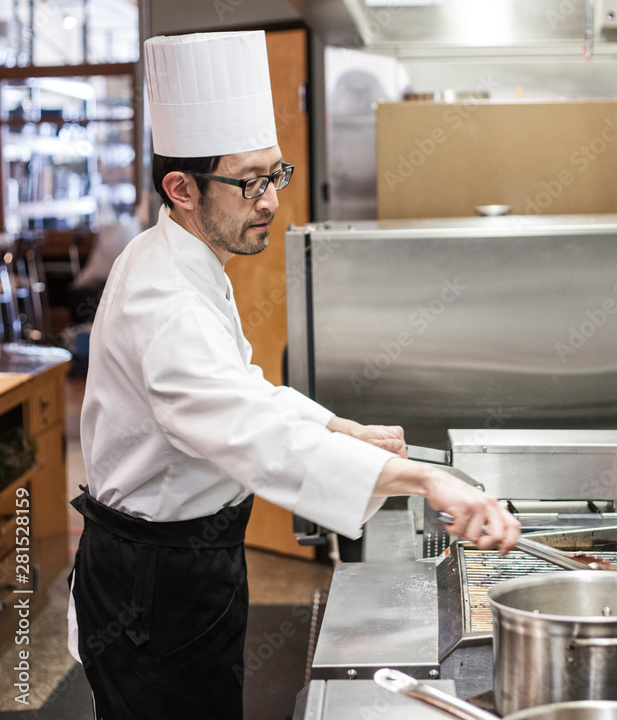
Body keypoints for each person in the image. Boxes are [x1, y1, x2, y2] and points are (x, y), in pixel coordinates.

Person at [67, 30, 520, 720]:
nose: (271, 201)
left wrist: (338, 427)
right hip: (152, 585)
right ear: (181, 189)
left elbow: (241, 386)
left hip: (194, 560)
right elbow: (251, 432)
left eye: (274, 175)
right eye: (248, 183)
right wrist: (426, 481)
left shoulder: (181, 257)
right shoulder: (163, 301)